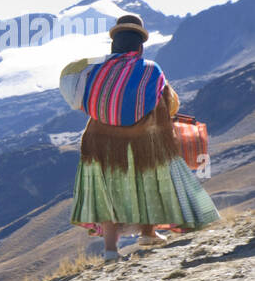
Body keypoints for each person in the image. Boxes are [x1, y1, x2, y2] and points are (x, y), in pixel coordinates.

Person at [65, 14, 220, 260]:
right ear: (139, 47)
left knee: (106, 192)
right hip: (141, 142)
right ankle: (148, 233)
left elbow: (85, 101)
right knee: (148, 183)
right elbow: (169, 103)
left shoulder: (96, 71)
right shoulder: (150, 70)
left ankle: (110, 250)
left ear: (114, 45)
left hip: (99, 142)